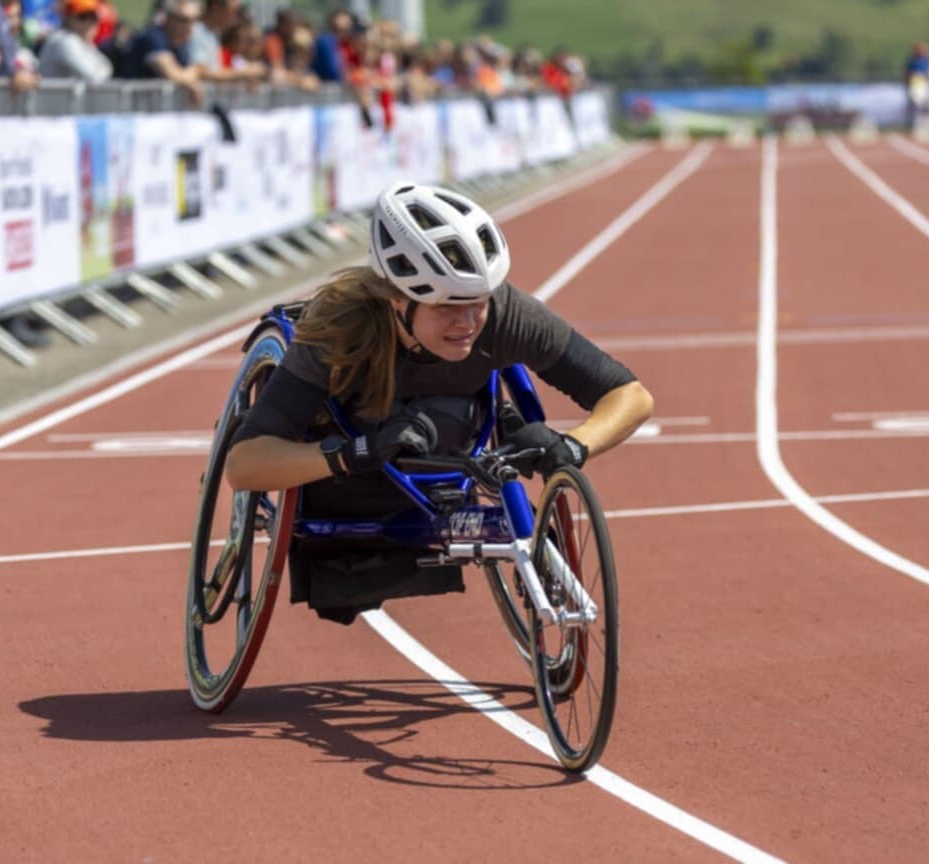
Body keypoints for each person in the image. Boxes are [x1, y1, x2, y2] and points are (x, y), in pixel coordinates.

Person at [225, 182, 654, 624]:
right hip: (348, 464)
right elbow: (244, 465)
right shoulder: (337, 332)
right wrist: (357, 453)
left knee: (455, 416)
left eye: (477, 303)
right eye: (447, 306)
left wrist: (571, 447)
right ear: (396, 298)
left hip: (450, 435)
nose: (468, 323)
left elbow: (630, 395)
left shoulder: (507, 315)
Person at [122, 0, 202, 105]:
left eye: (194, 20)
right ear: (169, 18)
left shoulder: (180, 47)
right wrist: (195, 74)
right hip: (128, 111)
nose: (189, 26)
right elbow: (172, 73)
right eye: (184, 20)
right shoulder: (153, 37)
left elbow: (187, 72)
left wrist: (194, 73)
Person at [38, 0, 111, 81]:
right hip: (51, 94)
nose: (89, 22)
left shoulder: (81, 41)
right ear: (69, 18)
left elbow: (107, 68)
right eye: (83, 16)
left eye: (93, 17)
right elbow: (94, 77)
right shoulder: (63, 40)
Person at [903, 41, 929, 130]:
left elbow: (928, 73)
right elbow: (907, 73)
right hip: (915, 85)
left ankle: (926, 123)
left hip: (923, 85)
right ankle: (913, 124)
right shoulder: (912, 61)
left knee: (925, 105)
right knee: (915, 104)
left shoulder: (926, 61)